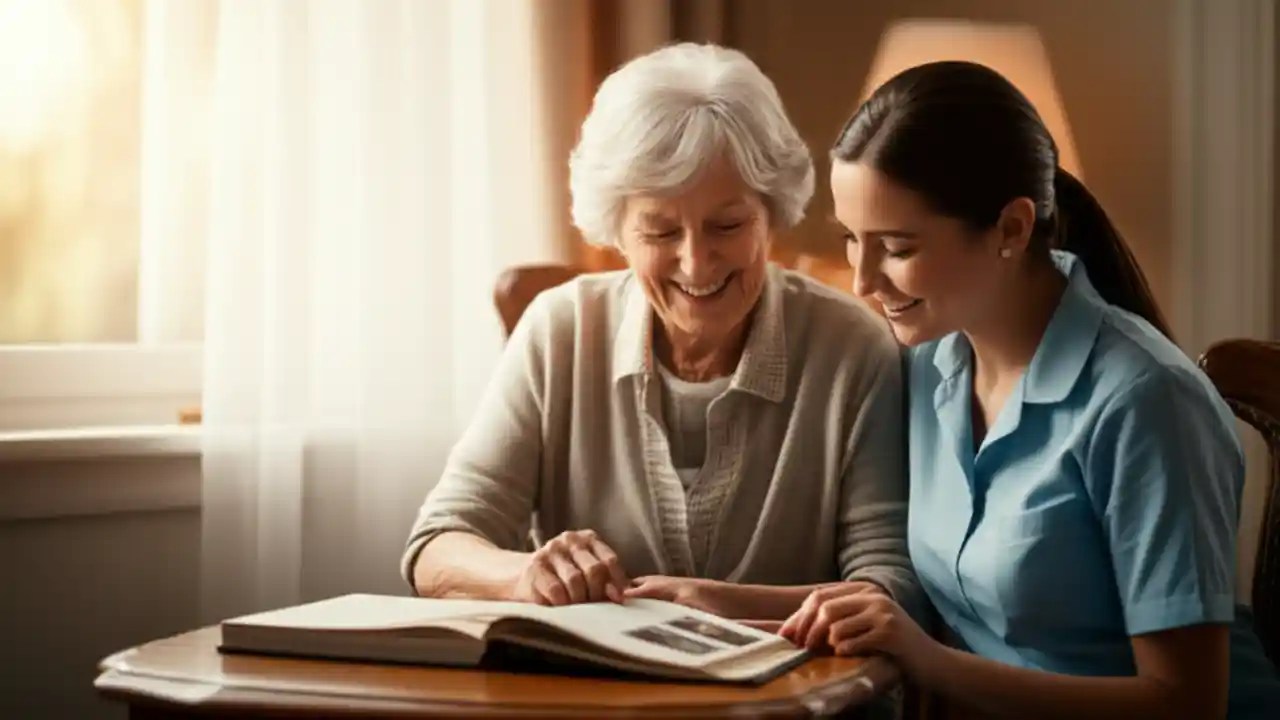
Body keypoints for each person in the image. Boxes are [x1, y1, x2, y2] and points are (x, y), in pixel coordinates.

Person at [780, 60, 1280, 718]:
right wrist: (701, 599)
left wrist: (925, 659)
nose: (864, 280)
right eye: (851, 240)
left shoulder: (1148, 402)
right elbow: (920, 606)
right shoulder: (930, 364)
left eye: (897, 247)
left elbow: (1185, 704)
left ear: (1012, 230)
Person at [400, 43, 918, 622]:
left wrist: (717, 604)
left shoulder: (853, 349)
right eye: (660, 231)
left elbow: (890, 591)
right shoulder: (559, 331)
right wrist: (526, 574)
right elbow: (438, 547)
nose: (697, 264)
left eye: (727, 225)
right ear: (616, 231)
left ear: (772, 213)